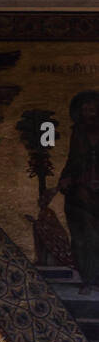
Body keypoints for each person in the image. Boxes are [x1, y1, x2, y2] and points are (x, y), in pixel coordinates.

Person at [59, 90, 99, 291]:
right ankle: (88, 279)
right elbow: (73, 161)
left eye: (92, 108)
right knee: (83, 238)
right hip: (80, 194)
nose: (88, 113)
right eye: (84, 109)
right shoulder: (78, 133)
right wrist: (64, 179)